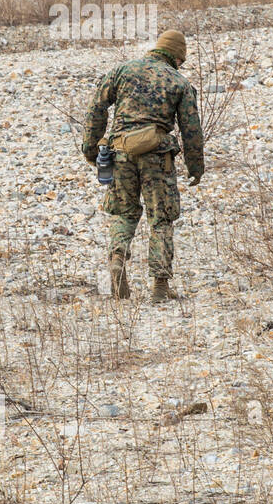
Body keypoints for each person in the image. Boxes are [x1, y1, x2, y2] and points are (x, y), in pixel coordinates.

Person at [81, 29, 204, 303]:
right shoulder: (179, 82)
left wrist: (91, 149)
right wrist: (196, 167)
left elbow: (96, 108)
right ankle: (160, 287)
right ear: (177, 57)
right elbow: (191, 130)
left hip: (121, 151)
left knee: (123, 213)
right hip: (158, 156)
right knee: (161, 218)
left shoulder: (122, 71)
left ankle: (117, 259)